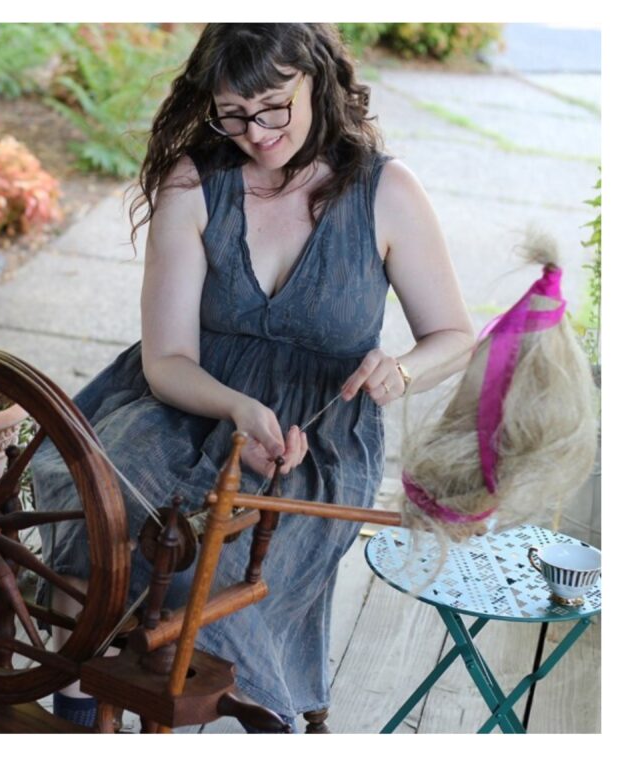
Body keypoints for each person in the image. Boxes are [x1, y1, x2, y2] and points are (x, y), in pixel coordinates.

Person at [31, 23, 474, 731]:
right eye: (232, 114)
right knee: (102, 514)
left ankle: (247, 702)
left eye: (274, 106)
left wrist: (401, 369)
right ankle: (79, 713)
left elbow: (453, 335)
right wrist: (238, 408)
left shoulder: (385, 190)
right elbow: (167, 359)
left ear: (317, 80)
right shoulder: (194, 183)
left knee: (222, 566)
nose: (256, 131)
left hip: (317, 436)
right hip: (185, 400)